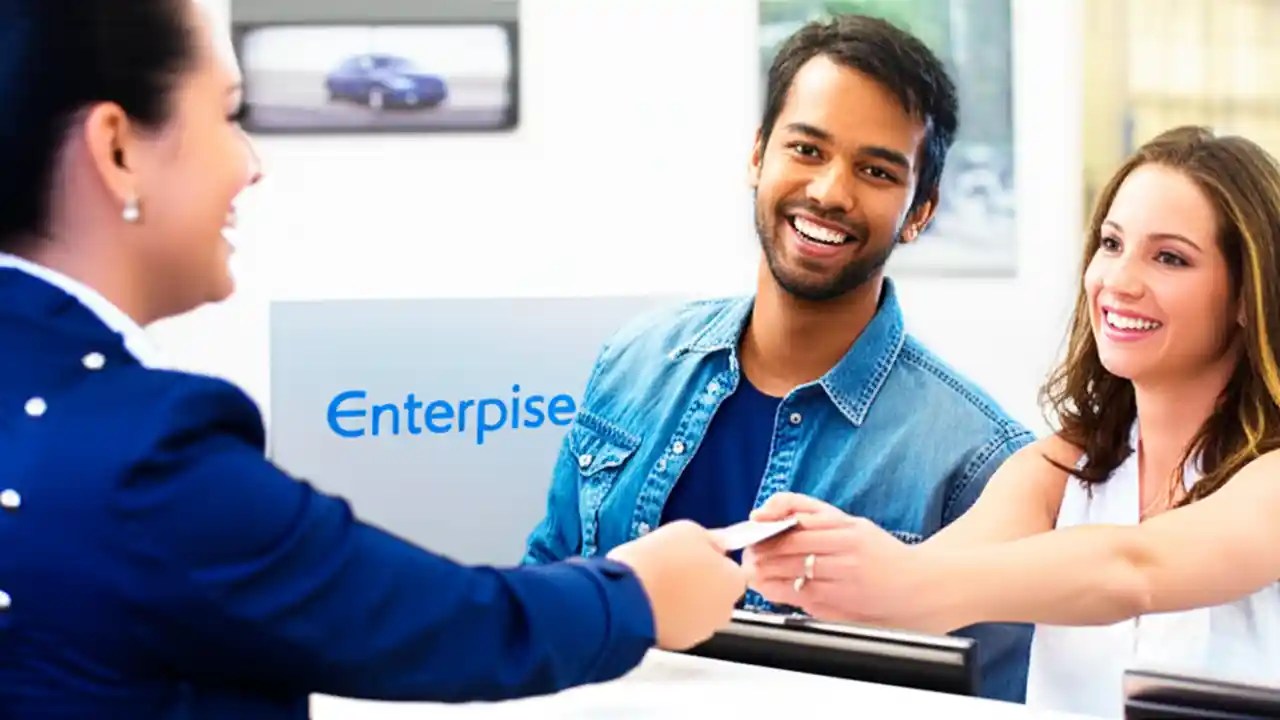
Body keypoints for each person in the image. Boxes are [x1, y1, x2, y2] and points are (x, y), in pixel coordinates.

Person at [0, 1, 748, 717]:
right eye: (229, 115)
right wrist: (638, 596)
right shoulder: (142, 458)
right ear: (119, 149)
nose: (250, 164)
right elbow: (445, 625)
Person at [522, 14, 1035, 703]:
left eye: (876, 170)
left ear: (920, 212)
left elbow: (989, 705)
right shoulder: (635, 362)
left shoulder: (977, 462)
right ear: (757, 155)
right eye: (807, 149)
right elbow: (544, 598)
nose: (829, 191)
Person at [744, 125, 1280, 718]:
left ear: (1245, 295)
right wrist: (821, 563)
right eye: (1110, 244)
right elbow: (929, 591)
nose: (1118, 282)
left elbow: (1132, 571)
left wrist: (897, 578)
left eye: (1170, 258)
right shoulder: (1055, 469)